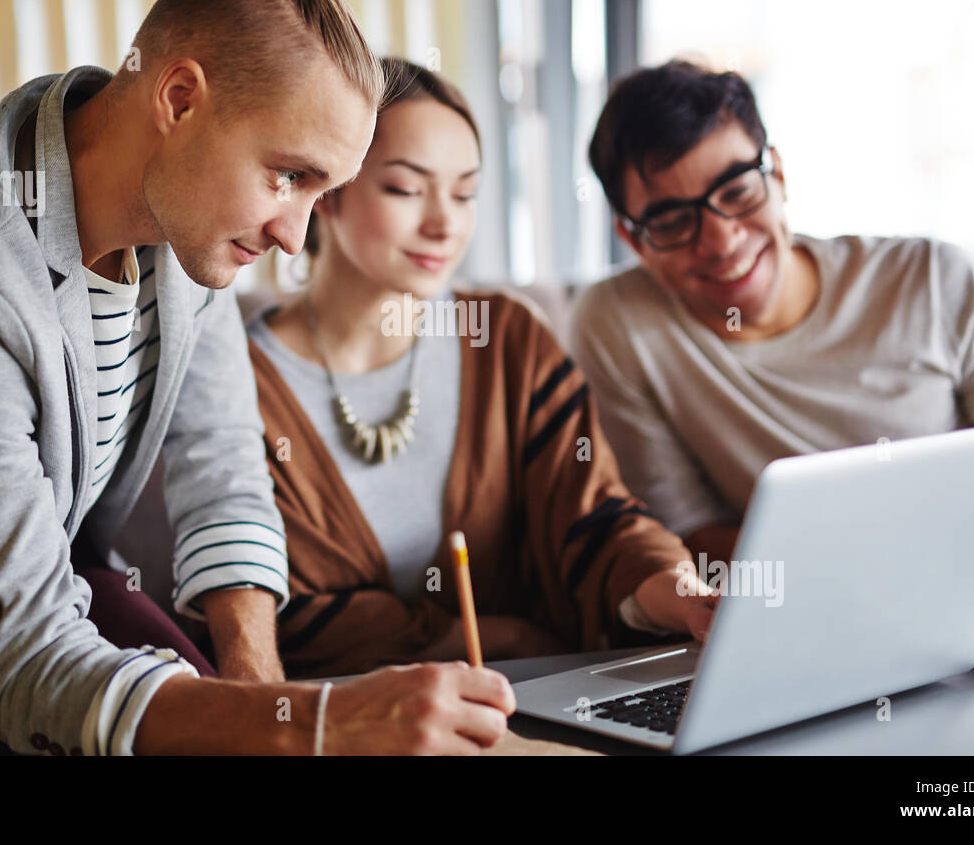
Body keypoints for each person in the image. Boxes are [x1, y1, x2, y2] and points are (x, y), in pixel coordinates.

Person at [0, 0, 513, 756]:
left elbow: (223, 467)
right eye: (289, 175)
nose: (293, 235)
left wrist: (264, 697)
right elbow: (21, 653)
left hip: (44, 584)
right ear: (177, 98)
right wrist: (317, 725)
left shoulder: (181, 214)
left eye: (323, 191)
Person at [244, 58, 717, 679]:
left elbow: (596, 515)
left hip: (534, 712)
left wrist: (676, 588)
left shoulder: (505, 339)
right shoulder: (243, 381)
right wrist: (498, 638)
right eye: (406, 189)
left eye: (465, 193)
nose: (445, 224)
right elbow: (279, 609)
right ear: (326, 192)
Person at [572, 58, 974, 619]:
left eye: (737, 191)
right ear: (632, 237)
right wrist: (906, 564)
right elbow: (688, 534)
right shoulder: (617, 324)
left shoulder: (937, 281)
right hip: (809, 618)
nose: (720, 241)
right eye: (672, 221)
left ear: (779, 176)